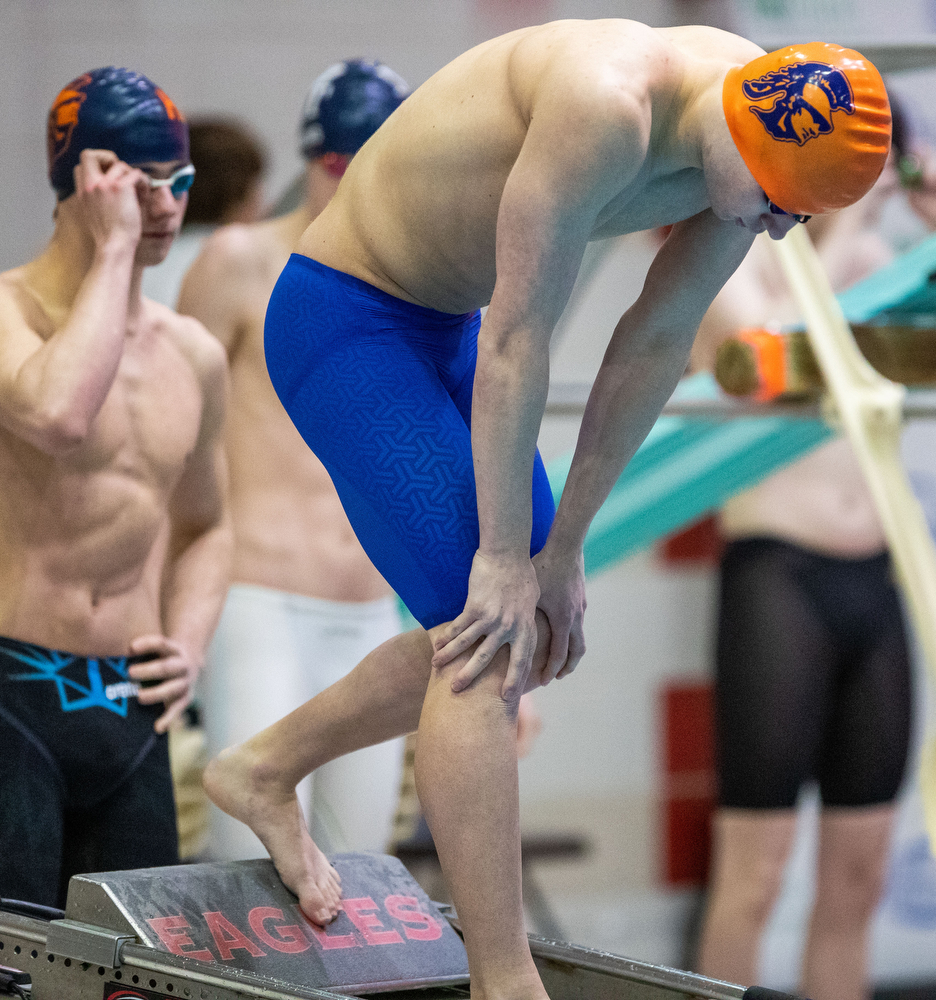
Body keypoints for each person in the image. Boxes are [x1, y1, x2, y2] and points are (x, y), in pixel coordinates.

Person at [203, 26, 891, 1000]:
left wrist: (562, 551)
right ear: (746, 139)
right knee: (482, 634)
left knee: (509, 622)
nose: (779, 231)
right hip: (348, 317)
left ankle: (265, 765)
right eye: (780, 206)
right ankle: (504, 979)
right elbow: (521, 343)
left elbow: (651, 344)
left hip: (449, 324)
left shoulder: (755, 123)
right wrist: (500, 554)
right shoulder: (605, 103)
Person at [691, 98, 936, 1000]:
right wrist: (856, 221)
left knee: (859, 876)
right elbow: (778, 362)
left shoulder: (881, 262)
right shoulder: (729, 264)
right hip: (779, 581)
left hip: (875, 587)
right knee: (756, 872)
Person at [0, 67, 231, 908]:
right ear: (85, 180)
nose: (167, 205)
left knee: (133, 980)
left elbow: (208, 524)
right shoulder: (7, 315)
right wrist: (112, 248)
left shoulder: (193, 354)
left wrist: (192, 644)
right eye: (144, 183)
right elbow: (58, 413)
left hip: (131, 712)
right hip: (13, 697)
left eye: (182, 182)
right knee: (16, 970)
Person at [178, 60, 411, 861]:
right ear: (312, 160)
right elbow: (175, 444)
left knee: (360, 878)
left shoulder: (428, 286)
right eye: (338, 167)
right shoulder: (239, 262)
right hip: (260, 607)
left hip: (375, 619)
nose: (352, 187)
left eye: (376, 167)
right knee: (252, 874)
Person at [143, 117, 268, 308]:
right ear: (238, 196)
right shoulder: (242, 266)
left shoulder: (145, 263)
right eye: (256, 189)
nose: (263, 204)